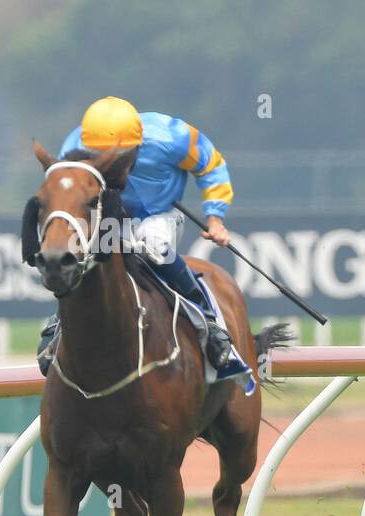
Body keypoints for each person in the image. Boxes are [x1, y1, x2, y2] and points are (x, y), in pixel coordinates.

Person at [36, 96, 246, 378]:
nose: (108, 167)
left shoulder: (172, 137)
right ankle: (60, 323)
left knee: (154, 247)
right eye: (98, 157)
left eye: (116, 158)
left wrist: (215, 217)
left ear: (137, 145)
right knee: (81, 260)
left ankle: (208, 320)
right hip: (110, 216)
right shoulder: (73, 148)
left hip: (159, 216)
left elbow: (212, 164)